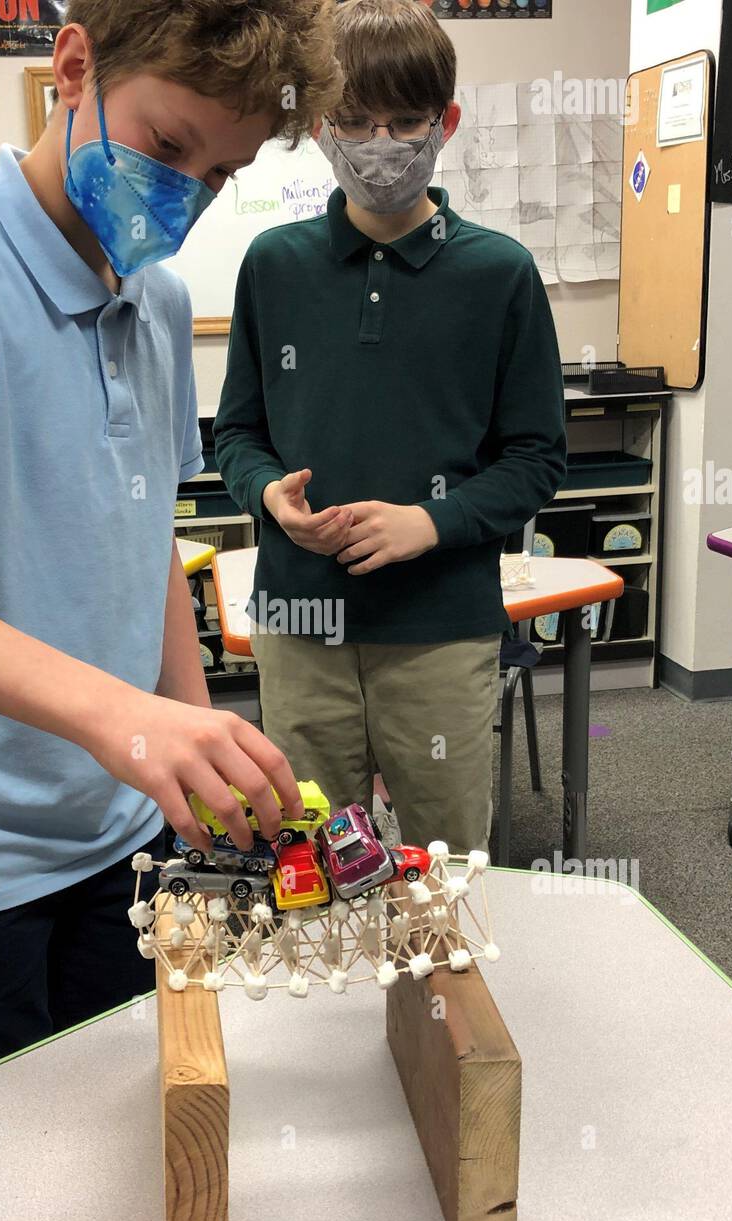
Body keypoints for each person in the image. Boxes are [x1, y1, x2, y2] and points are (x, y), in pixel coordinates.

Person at [0, 2, 343, 1097]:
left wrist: (190, 733)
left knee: (115, 1118)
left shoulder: (159, 299)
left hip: (113, 822)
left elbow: (144, 542)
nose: (183, 199)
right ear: (73, 68)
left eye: (219, 175)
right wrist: (117, 714)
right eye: (169, 149)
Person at [214, 0, 566, 856]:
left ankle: (438, 995)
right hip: (301, 624)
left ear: (445, 123)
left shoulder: (499, 275)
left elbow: (535, 458)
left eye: (405, 121)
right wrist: (270, 496)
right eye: (355, 122)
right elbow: (235, 435)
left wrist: (430, 522)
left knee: (446, 866)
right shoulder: (274, 266)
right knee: (308, 861)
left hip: (439, 628)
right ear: (319, 125)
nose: (380, 144)